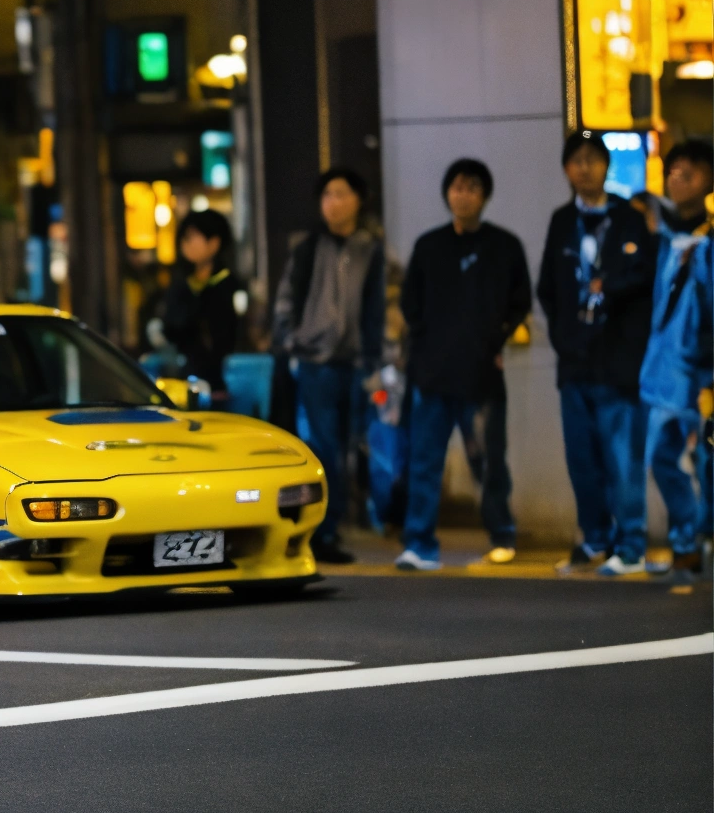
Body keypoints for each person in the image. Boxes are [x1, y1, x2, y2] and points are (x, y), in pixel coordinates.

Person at [396, 158, 534, 572]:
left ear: (485, 195)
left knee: (490, 463)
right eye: (456, 187)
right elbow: (409, 303)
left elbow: (521, 301)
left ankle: (501, 535)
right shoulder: (428, 246)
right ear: (446, 194)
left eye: (473, 187)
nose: (463, 194)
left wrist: (496, 340)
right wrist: (427, 345)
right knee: (424, 462)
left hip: (481, 376)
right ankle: (419, 544)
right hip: (432, 376)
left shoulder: (505, 246)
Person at [537, 132, 658, 576]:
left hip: (618, 362)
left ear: (606, 167)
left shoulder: (629, 218)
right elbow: (547, 288)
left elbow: (644, 280)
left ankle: (630, 546)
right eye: (576, 160)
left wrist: (608, 290)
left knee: (622, 459)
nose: (584, 168)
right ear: (566, 169)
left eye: (593, 159)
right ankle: (594, 541)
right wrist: (564, 336)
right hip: (575, 362)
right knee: (581, 459)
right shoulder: (561, 220)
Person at [267, 168, 388, 565]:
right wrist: (290, 343)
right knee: (323, 448)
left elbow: (373, 308)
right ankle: (324, 531)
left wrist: (373, 357)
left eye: (340, 194)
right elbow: (286, 299)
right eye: (326, 196)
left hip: (353, 362)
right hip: (314, 362)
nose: (332, 203)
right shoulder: (308, 247)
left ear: (358, 199)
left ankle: (333, 527)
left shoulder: (369, 248)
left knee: (349, 445)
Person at [639, 140, 714, 581]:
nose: (678, 177)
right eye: (674, 170)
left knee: (707, 461)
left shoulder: (707, 240)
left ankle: (697, 540)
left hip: (701, 372)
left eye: (690, 171)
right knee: (663, 457)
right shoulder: (662, 238)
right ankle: (687, 539)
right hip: (662, 371)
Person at [151, 209, 246, 389]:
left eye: (193, 237)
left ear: (214, 242)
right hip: (182, 377)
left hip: (223, 381)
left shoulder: (228, 285)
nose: (186, 244)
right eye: (184, 238)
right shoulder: (180, 285)